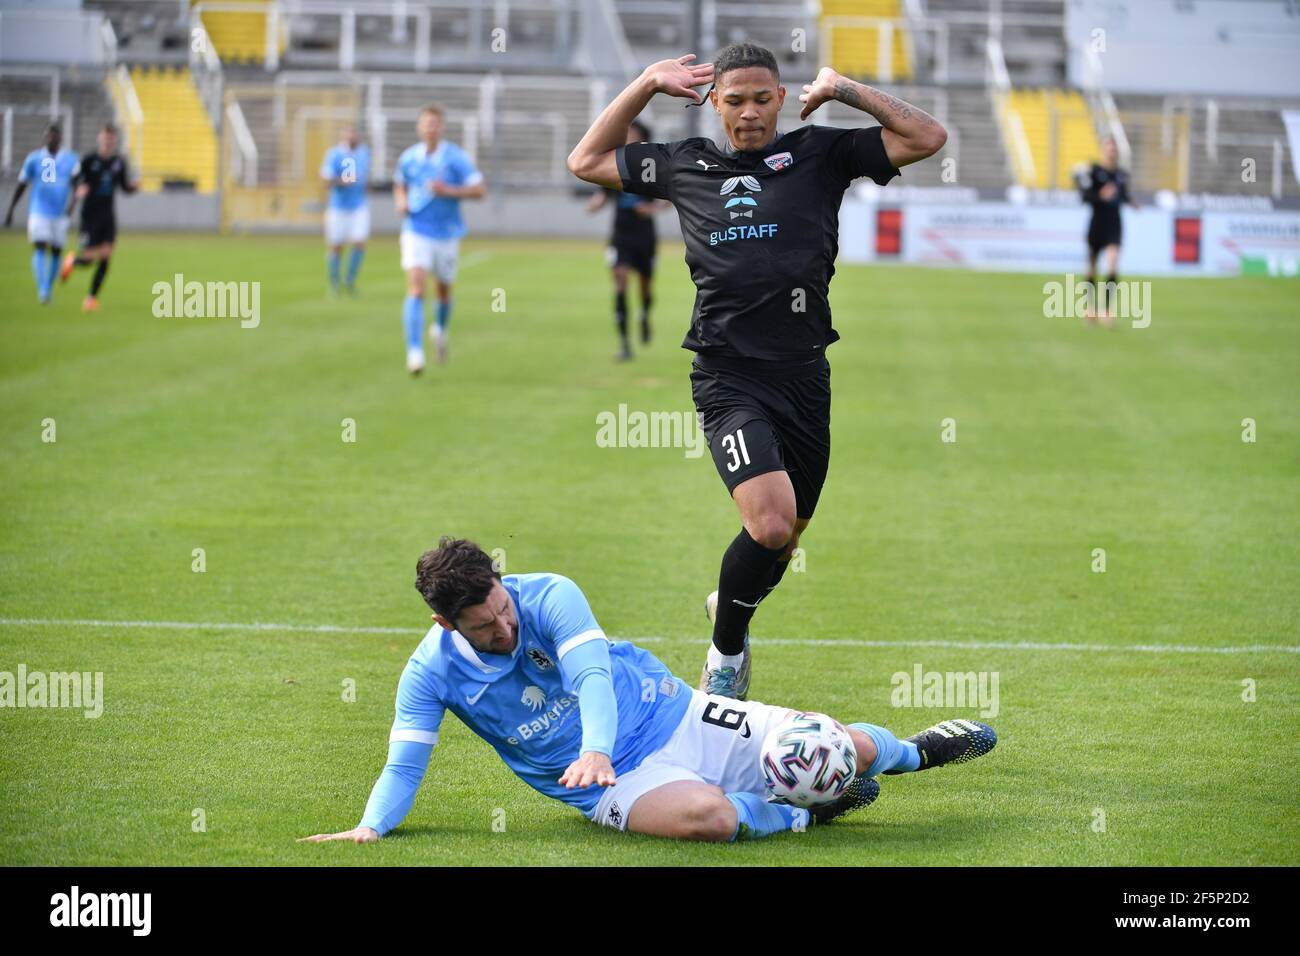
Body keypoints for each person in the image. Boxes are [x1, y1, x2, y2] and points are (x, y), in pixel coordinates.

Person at [566, 43, 947, 698]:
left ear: (781, 98)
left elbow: (927, 136)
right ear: (714, 102)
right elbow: (585, 161)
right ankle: (725, 656)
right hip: (728, 375)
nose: (748, 113)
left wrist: (842, 88)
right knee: (768, 524)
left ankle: (728, 608)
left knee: (784, 541)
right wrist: (645, 84)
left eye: (762, 98)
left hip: (804, 376)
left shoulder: (820, 155)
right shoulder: (685, 164)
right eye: (734, 99)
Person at [299, 538, 996, 844]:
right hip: (608, 786)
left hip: (673, 715)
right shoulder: (429, 673)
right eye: (485, 627)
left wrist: (596, 744)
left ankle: (914, 752)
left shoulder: (550, 595)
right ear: (444, 623)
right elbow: (405, 758)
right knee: (711, 820)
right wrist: (373, 824)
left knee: (821, 749)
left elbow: (592, 676)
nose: (505, 627)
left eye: (503, 608)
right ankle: (803, 816)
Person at [392, 104, 486, 374]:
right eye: (426, 123)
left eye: (435, 123)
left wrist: (449, 190)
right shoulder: (409, 157)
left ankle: (440, 331)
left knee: (443, 291)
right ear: (419, 127)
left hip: (446, 234)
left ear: (441, 127)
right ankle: (414, 352)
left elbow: (479, 190)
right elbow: (400, 183)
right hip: (415, 230)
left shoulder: (455, 158)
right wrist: (400, 201)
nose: (430, 128)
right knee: (417, 287)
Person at [586, 119, 669, 361]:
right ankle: (624, 344)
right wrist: (595, 204)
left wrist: (653, 209)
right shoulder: (616, 162)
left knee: (644, 285)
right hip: (620, 234)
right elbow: (603, 192)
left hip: (645, 234)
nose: (630, 136)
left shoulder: (652, 164)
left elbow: (671, 196)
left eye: (635, 132)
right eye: (628, 132)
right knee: (620, 281)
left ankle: (644, 314)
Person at [59, 123, 139, 311]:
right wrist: (79, 187)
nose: (108, 140)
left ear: (115, 140)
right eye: (105, 136)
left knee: (106, 255)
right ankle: (72, 261)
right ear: (99, 138)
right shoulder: (88, 160)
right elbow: (74, 178)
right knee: (89, 259)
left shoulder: (119, 162)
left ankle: (91, 298)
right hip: (91, 214)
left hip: (108, 215)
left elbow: (124, 187)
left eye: (111, 137)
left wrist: (133, 187)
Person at [4, 124, 80, 304]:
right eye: (48, 136)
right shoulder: (34, 159)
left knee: (56, 251)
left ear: (61, 138)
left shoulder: (71, 160)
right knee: (40, 247)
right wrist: (11, 209)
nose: (51, 139)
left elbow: (77, 186)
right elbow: (22, 184)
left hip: (60, 214)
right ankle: (43, 289)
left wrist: (72, 205)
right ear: (44, 138)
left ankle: (47, 286)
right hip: (39, 211)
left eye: (54, 136)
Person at [1078, 136, 1136, 326]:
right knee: (1092, 269)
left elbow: (1124, 195)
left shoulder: (1121, 175)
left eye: (1114, 149)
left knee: (1112, 264)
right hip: (1097, 223)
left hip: (1114, 224)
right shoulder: (1094, 171)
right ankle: (1090, 309)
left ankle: (1107, 310)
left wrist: (1132, 202)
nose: (1112, 152)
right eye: (1109, 148)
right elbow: (1085, 196)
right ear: (1103, 150)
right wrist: (1101, 195)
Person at [319, 126, 371, 296]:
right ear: (343, 136)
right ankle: (334, 284)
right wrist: (342, 181)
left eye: (354, 134)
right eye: (348, 134)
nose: (351, 137)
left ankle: (350, 280)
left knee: (359, 242)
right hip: (338, 207)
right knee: (336, 246)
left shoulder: (364, 153)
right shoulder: (334, 154)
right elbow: (326, 181)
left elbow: (364, 177)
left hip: (359, 206)